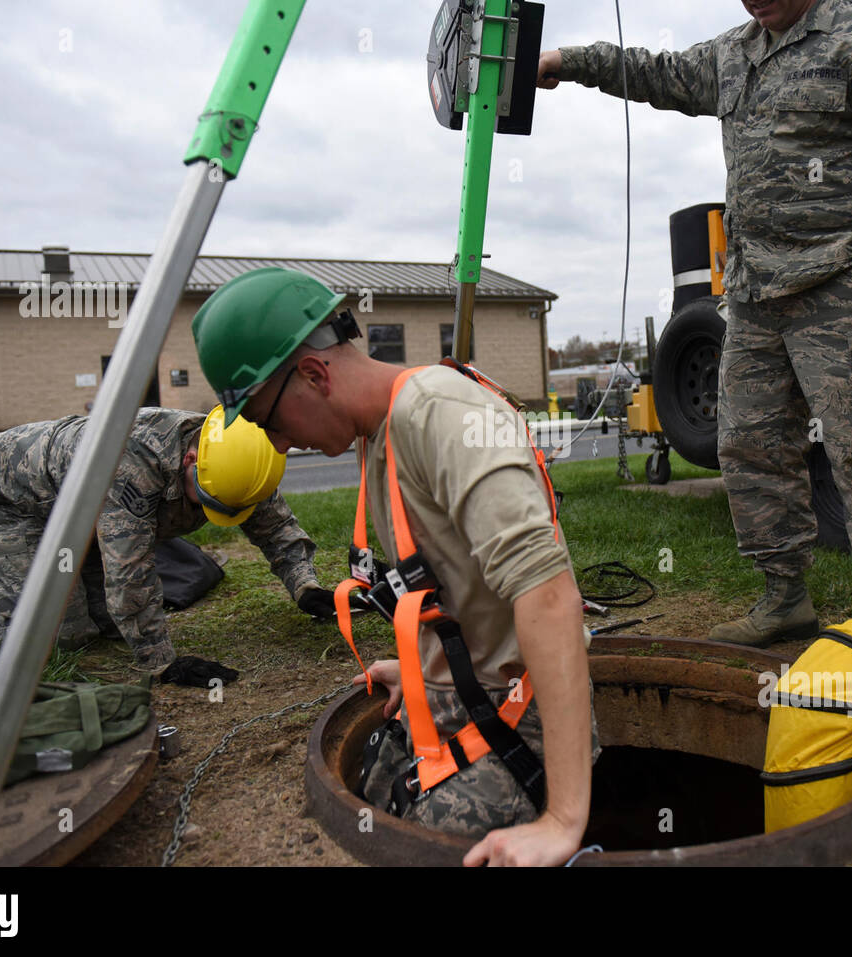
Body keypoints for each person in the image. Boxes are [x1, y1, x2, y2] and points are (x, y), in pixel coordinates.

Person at [538, 0, 852, 645]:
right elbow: (654, 71)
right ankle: (785, 598)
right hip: (757, 301)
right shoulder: (735, 53)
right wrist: (568, 62)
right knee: (750, 449)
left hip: (843, 293)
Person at [191, 267, 595, 867]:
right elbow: (460, 585)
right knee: (372, 804)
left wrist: (562, 819)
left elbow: (549, 597)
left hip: (521, 713)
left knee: (419, 851)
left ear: (313, 373)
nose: (275, 444)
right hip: (462, 694)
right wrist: (423, 666)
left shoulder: (443, 416)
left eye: (266, 420)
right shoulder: (379, 432)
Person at [0, 405, 334, 675]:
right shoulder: (132, 465)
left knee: (109, 624)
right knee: (54, 635)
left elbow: (275, 527)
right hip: (18, 501)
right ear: (191, 458)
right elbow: (129, 571)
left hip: (83, 511)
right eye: (207, 502)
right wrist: (162, 664)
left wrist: (305, 586)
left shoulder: (242, 456)